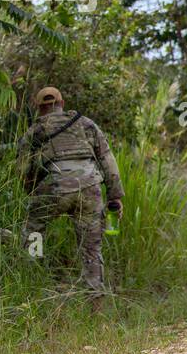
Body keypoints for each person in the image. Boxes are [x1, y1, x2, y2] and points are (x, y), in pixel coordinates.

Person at [16, 87, 123, 308]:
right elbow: (107, 160)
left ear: (39, 107)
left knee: (34, 234)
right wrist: (115, 196)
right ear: (62, 103)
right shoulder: (86, 124)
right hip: (90, 190)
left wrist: (33, 194)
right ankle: (96, 304)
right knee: (91, 249)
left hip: (54, 189)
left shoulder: (35, 131)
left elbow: (22, 172)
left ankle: (31, 289)